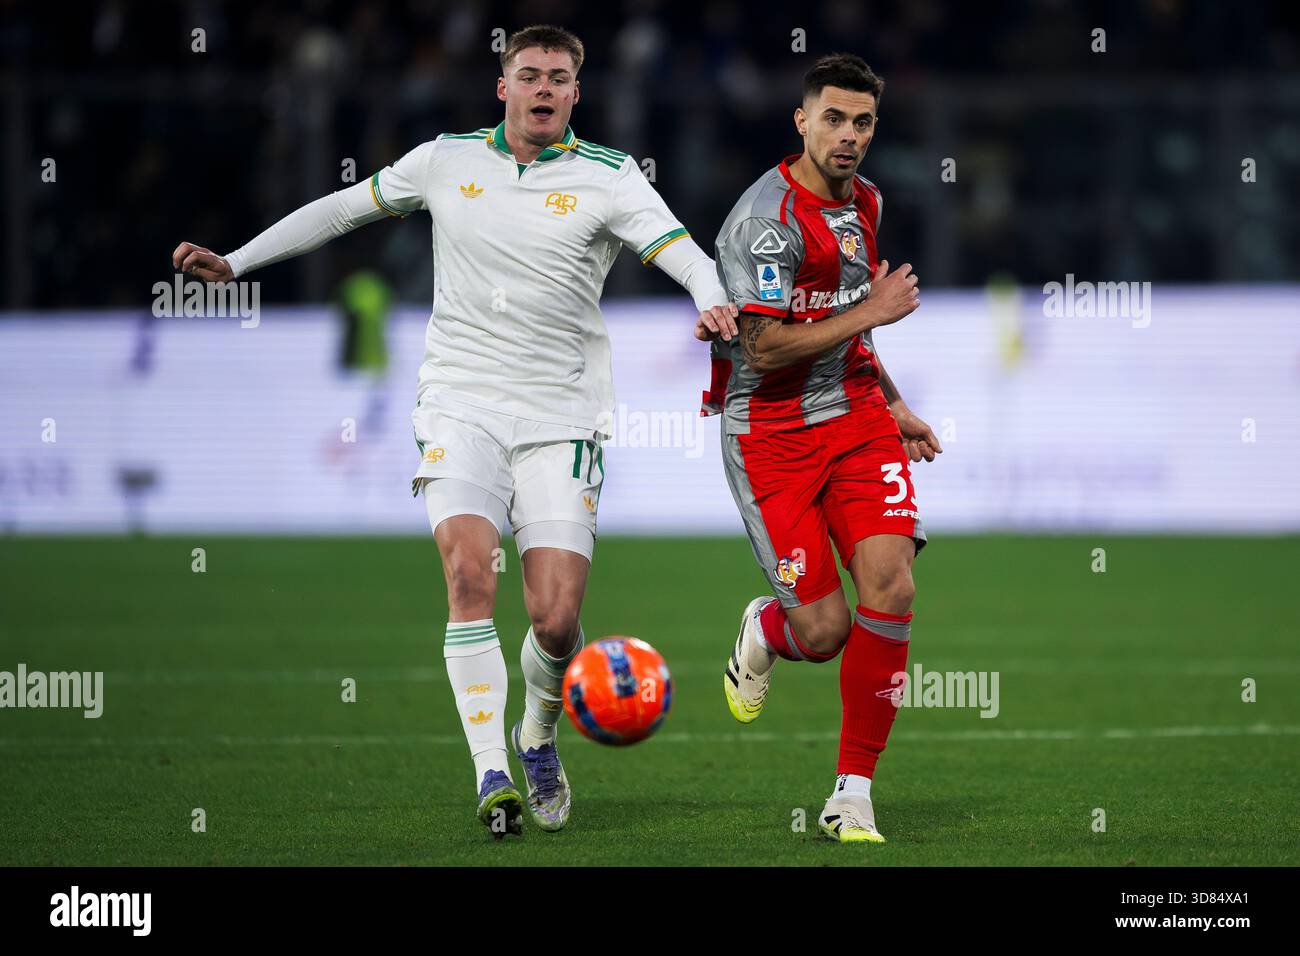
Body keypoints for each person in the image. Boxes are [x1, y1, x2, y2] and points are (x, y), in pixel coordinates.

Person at [172, 24, 738, 838]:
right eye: (529, 74)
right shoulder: (444, 160)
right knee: (469, 575)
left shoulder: (612, 178)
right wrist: (237, 261)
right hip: (460, 403)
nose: (544, 89)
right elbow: (341, 211)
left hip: (561, 416)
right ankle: (492, 773)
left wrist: (709, 298)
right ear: (500, 86)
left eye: (559, 78)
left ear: (578, 93)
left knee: (554, 619)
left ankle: (537, 736)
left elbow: (683, 251)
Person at [701, 53, 940, 843]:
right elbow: (763, 350)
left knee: (893, 587)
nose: (848, 136)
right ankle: (771, 628)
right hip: (769, 438)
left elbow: (848, 318)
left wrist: (896, 403)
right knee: (824, 633)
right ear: (800, 120)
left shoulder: (863, 200)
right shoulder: (765, 221)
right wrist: (872, 307)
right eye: (832, 118)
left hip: (857, 416)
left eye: (863, 121)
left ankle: (852, 793)